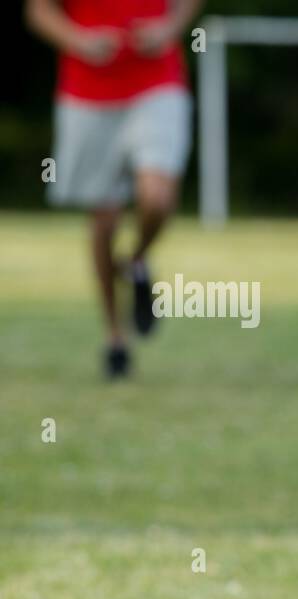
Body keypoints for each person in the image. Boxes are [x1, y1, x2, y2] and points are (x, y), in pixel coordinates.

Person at [26, 0, 202, 379]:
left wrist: (168, 28)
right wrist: (79, 39)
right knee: (104, 221)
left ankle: (136, 259)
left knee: (157, 197)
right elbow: (39, 11)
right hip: (88, 92)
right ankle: (115, 339)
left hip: (158, 82)